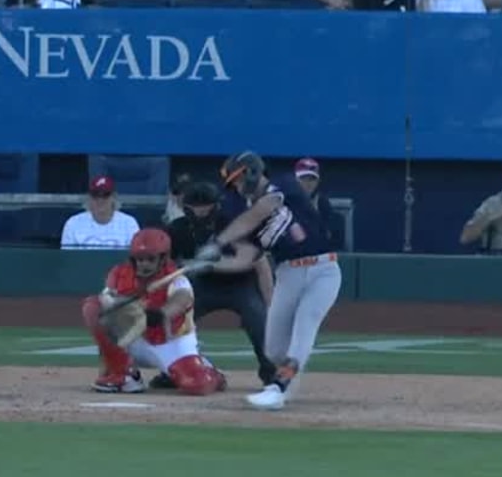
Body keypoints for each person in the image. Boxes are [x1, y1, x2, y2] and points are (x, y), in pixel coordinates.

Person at [207, 151, 342, 412]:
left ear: (251, 171)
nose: (237, 186)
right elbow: (247, 257)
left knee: (305, 326)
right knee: (273, 349)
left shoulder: (283, 185)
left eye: (238, 179)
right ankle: (288, 381)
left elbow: (260, 211)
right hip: (288, 274)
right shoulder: (249, 216)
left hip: (323, 271)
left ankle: (278, 388)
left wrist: (219, 241)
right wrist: (211, 264)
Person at [77, 228, 226, 396]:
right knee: (93, 307)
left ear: (163, 259)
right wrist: (128, 305)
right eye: (139, 259)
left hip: (171, 341)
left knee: (197, 385)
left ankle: (208, 371)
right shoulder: (119, 274)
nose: (144, 264)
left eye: (150, 259)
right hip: (135, 338)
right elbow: (106, 300)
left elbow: (181, 299)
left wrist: (161, 313)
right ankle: (124, 375)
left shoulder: (177, 278)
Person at [156, 179, 275, 389]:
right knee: (173, 317)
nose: (201, 212)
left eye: (206, 207)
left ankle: (271, 372)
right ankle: (174, 369)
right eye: (196, 207)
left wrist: (270, 304)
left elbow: (260, 264)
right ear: (186, 207)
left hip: (240, 284)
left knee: (258, 318)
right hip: (201, 285)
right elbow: (166, 266)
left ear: (216, 205)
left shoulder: (233, 224)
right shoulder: (177, 229)